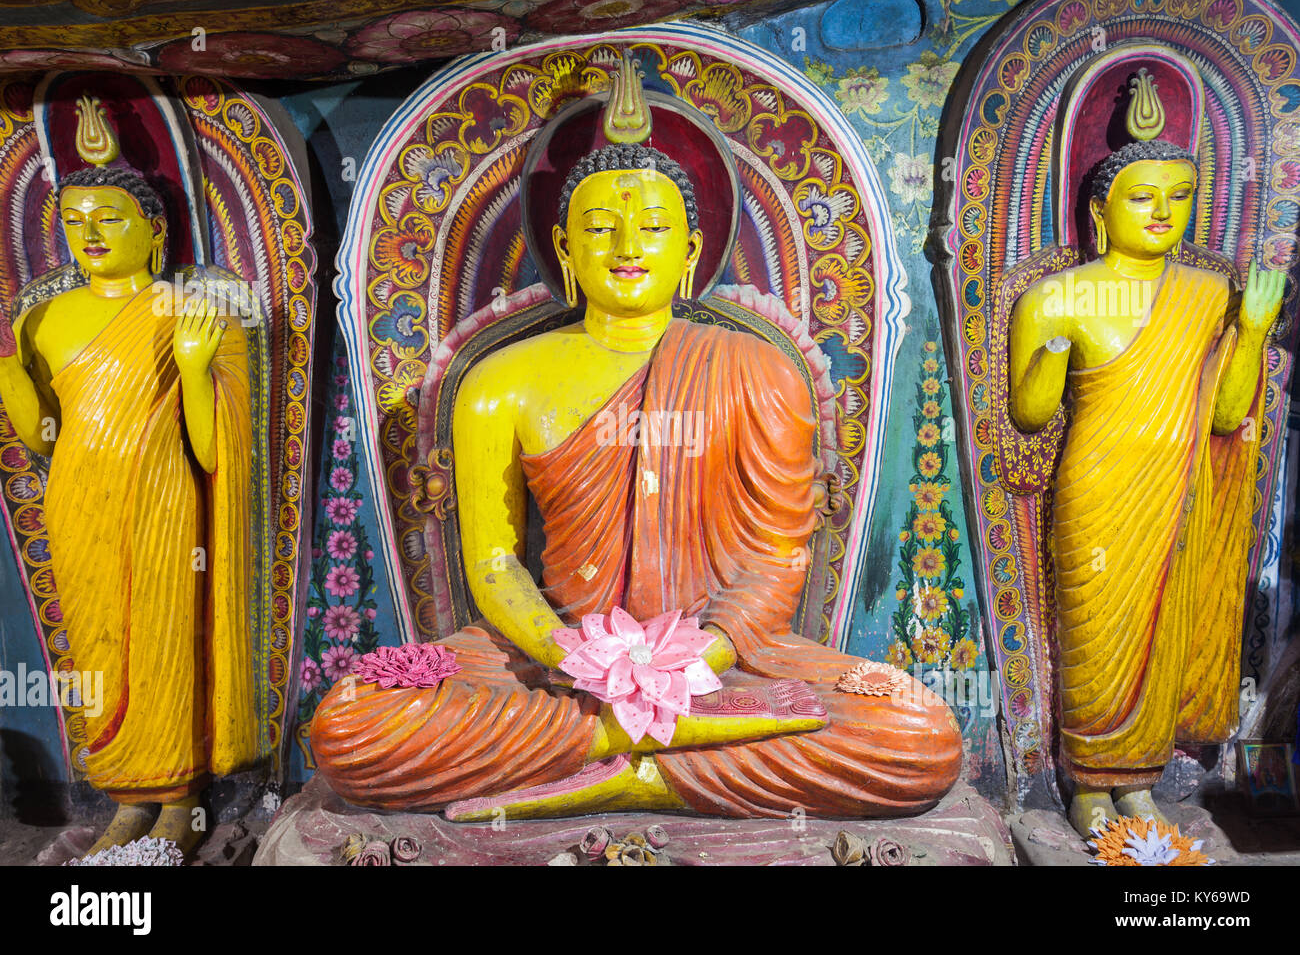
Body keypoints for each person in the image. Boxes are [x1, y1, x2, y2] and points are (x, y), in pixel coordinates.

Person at [310, 64, 961, 819]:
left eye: (654, 227)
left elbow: (779, 559)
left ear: (690, 251)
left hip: (725, 669)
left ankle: (630, 772)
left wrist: (694, 663)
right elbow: (492, 562)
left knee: (918, 735)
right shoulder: (499, 382)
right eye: (600, 227)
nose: (627, 244)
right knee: (353, 722)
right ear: (563, 247)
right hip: (555, 666)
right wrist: (569, 656)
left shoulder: (758, 371)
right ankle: (655, 742)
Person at [1008, 121, 1283, 835]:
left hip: (1179, 492)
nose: (1163, 212)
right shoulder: (1059, 295)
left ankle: (1139, 783)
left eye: (1180, 196)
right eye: (1142, 199)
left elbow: (1227, 417)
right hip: (1097, 490)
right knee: (1095, 634)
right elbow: (1031, 413)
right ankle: (1089, 784)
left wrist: (1251, 330)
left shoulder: (1208, 297)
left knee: (1162, 635)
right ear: (1101, 213)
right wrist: (1051, 357)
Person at [0, 97, 256, 854]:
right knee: (98, 646)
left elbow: (213, 454)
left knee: (164, 639)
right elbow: (40, 437)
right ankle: (123, 791)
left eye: (109, 218)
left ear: (154, 228)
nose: (90, 235)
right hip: (76, 498)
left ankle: (175, 794)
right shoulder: (42, 319)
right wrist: (11, 369)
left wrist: (194, 368)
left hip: (164, 498)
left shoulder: (183, 310)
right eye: (74, 222)